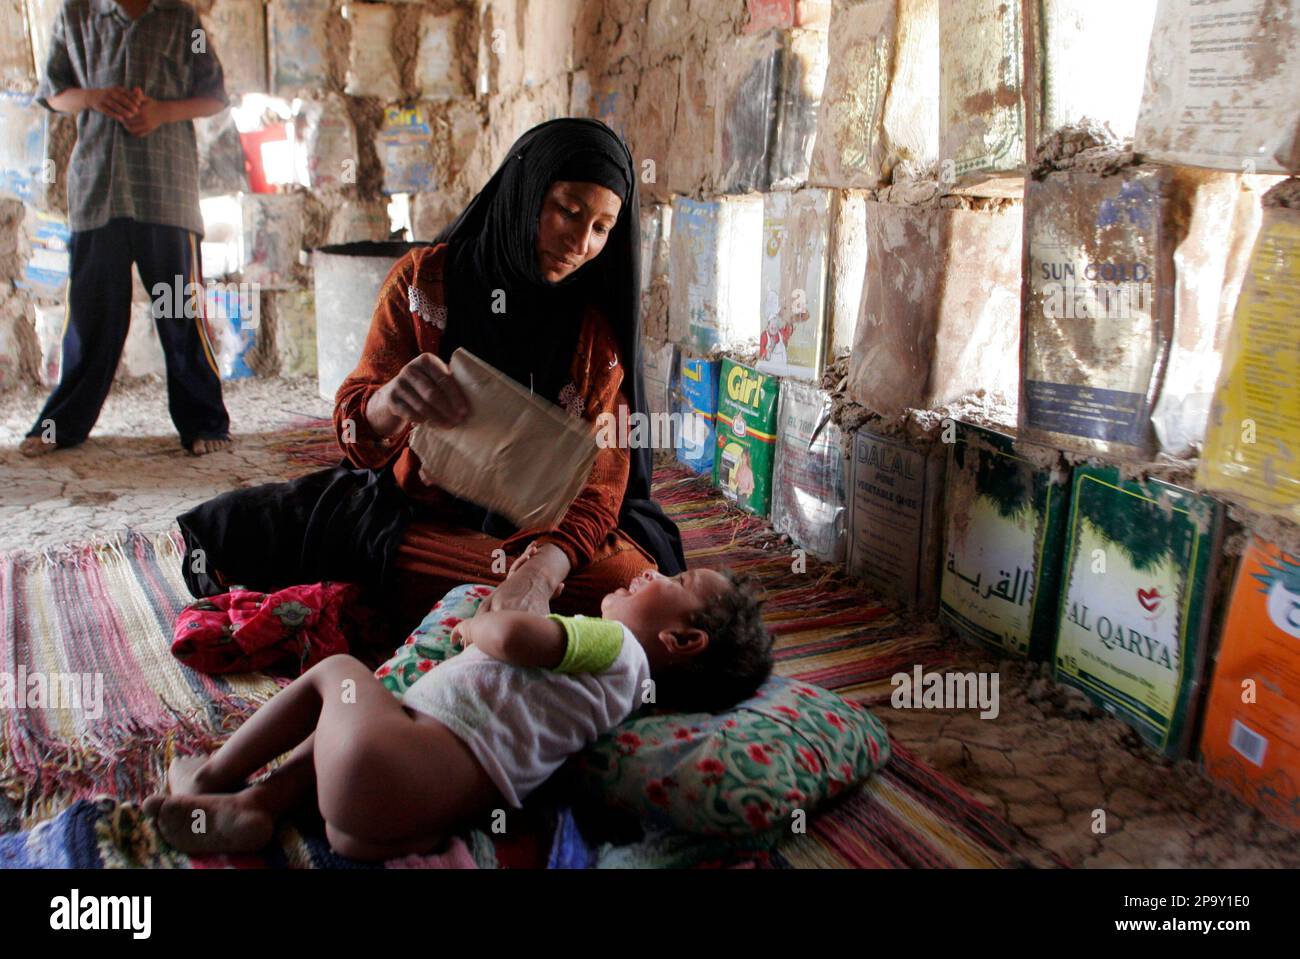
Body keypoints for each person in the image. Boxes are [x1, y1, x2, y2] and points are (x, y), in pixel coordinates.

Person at [145, 568, 772, 861]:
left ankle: (214, 777)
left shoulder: (610, 643)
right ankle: (259, 811)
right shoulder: (623, 700)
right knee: (361, 729)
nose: (651, 572)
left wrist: (478, 624)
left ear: (684, 641)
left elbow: (511, 640)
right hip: (409, 812)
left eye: (677, 580)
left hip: (392, 761)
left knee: (340, 679)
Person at [333, 118, 686, 635]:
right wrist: (388, 402)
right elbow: (357, 442)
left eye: (601, 228)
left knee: (628, 582)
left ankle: (466, 594)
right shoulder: (422, 284)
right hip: (427, 520)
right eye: (568, 210)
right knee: (342, 537)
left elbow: (602, 485)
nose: (580, 242)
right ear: (526, 188)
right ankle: (484, 596)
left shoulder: (594, 337)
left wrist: (543, 571)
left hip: (546, 532)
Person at [19, 0, 233, 458]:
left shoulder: (180, 18)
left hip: (167, 190)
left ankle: (204, 421)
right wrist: (94, 97)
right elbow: (55, 91)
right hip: (99, 188)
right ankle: (62, 424)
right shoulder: (75, 15)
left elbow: (213, 94)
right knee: (92, 315)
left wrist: (161, 112)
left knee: (180, 311)